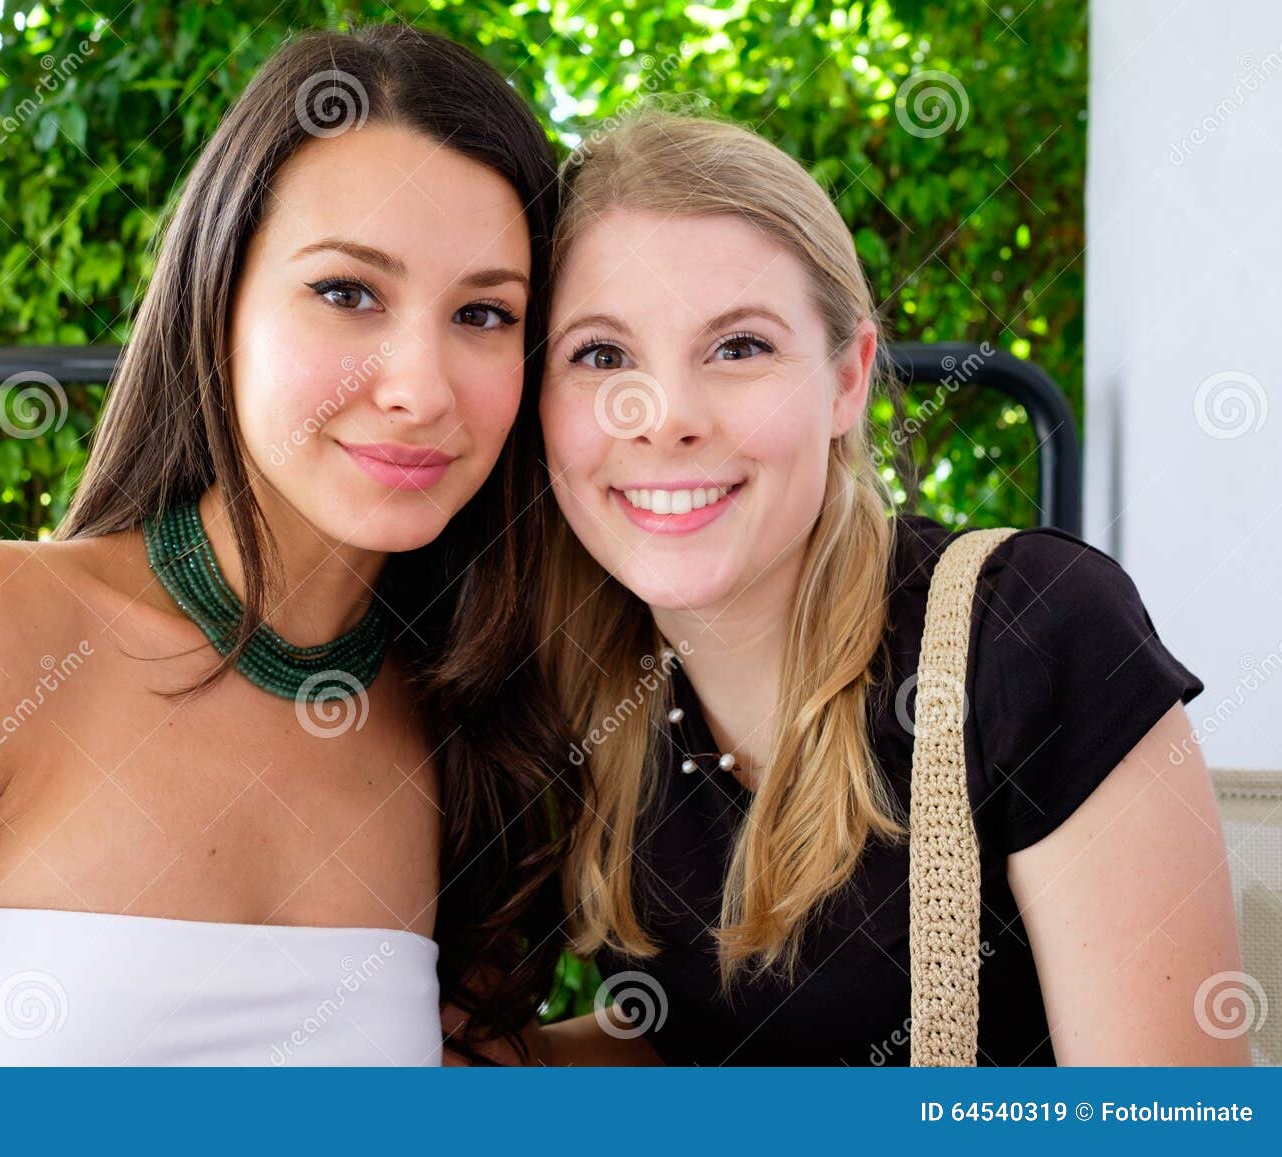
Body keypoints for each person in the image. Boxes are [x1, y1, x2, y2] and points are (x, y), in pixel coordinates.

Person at [0, 23, 576, 1067]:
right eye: (348, 292)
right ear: (218, 305)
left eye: (483, 313)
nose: (419, 388)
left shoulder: (466, 724)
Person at [523, 111, 1248, 1065]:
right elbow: (706, 1047)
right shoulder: (579, 683)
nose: (666, 418)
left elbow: (1171, 1123)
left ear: (848, 379)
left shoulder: (1032, 632)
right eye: (602, 355)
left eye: (739, 347)